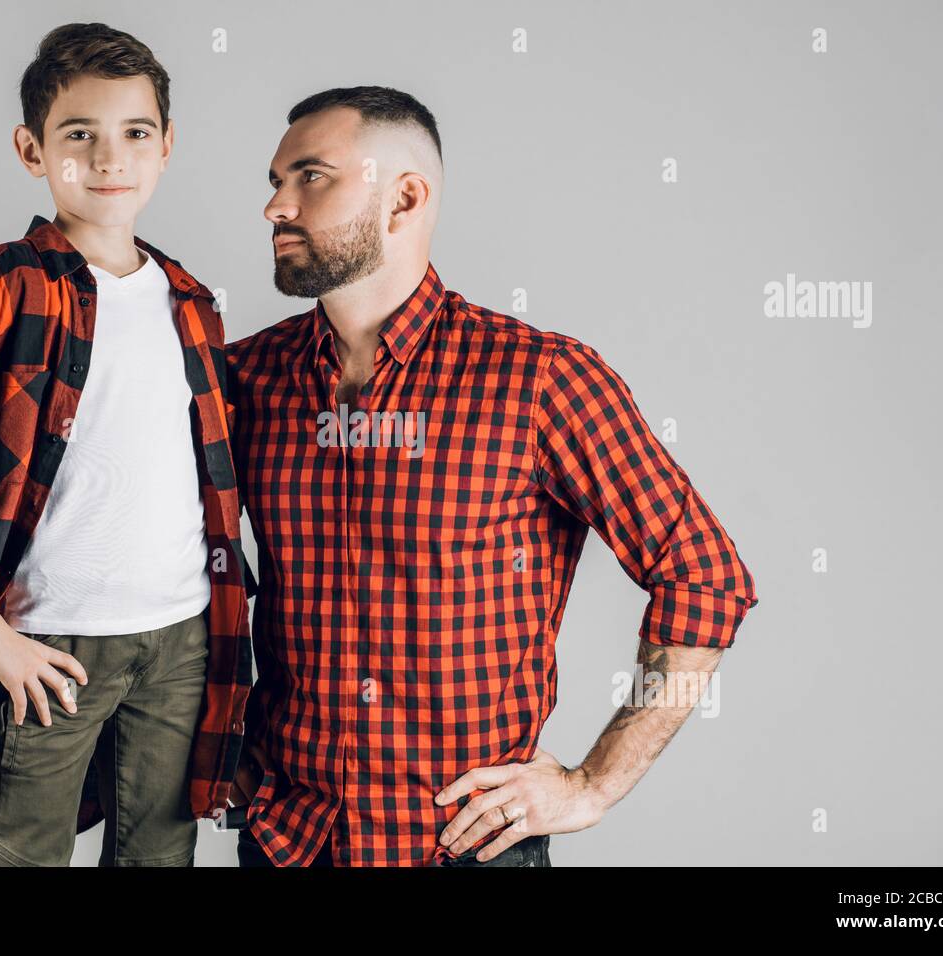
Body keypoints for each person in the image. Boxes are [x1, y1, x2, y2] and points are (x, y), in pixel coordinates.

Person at [226, 86, 758, 867]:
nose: (276, 205)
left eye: (311, 176)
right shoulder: (245, 377)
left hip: (460, 849)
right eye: (274, 182)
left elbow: (706, 579)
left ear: (404, 198)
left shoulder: (539, 378)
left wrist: (593, 785)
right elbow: (184, 570)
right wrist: (218, 735)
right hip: (287, 846)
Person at [0, 22, 254, 865]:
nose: (110, 158)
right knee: (24, 852)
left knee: (159, 853)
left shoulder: (191, 302)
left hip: (183, 635)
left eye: (135, 133)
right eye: (80, 136)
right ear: (32, 151)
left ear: (167, 146)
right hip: (50, 643)